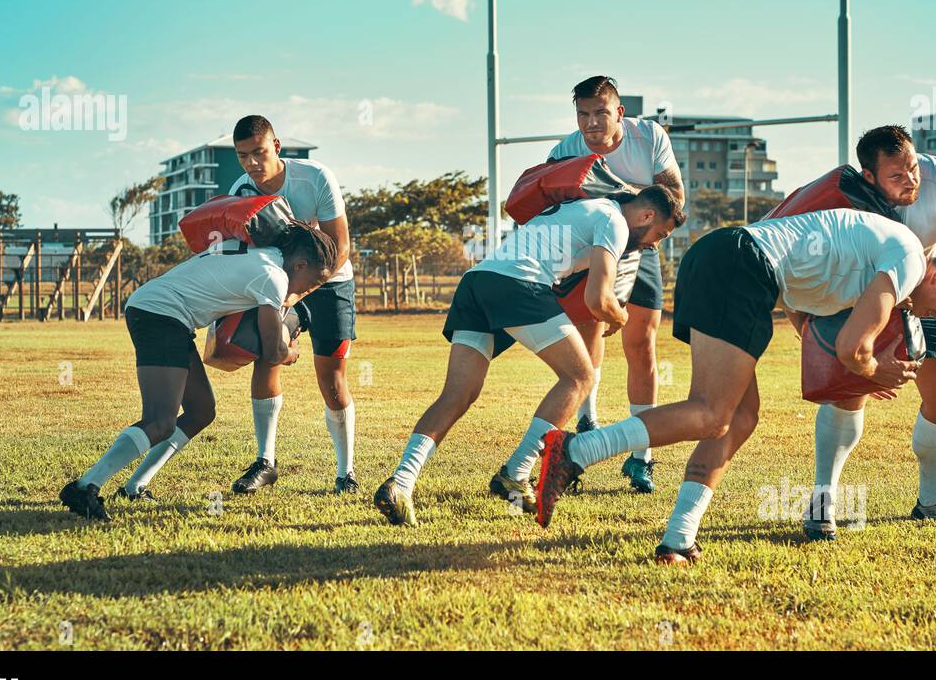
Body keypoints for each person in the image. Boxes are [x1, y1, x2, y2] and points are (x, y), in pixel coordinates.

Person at [534, 208, 936, 564]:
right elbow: (854, 348)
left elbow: (805, 301)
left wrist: (852, 355)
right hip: (741, 266)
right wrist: (876, 371)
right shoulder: (911, 259)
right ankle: (575, 451)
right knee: (712, 412)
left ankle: (677, 540)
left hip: (724, 260)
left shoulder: (893, 256)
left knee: (737, 419)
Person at [372, 186, 683, 527]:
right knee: (580, 377)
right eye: (660, 234)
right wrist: (620, 316)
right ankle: (516, 473)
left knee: (457, 394)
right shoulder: (615, 221)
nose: (655, 243)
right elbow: (599, 299)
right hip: (517, 285)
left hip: (478, 281)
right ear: (647, 215)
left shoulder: (589, 208)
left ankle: (401, 482)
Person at [57, 222, 338, 520]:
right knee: (160, 421)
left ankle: (134, 487)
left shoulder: (262, 256)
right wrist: (291, 352)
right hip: (161, 313)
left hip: (166, 314)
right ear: (301, 264)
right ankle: (85, 485)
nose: (308, 290)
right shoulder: (274, 276)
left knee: (201, 410)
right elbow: (271, 352)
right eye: (312, 281)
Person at [802, 125, 936, 540]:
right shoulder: (843, 193)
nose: (910, 180)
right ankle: (822, 504)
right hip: (858, 292)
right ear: (869, 177)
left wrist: (927, 286)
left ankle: (931, 503)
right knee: (847, 391)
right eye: (896, 175)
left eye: (913, 168)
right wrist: (811, 327)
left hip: (926, 287)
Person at [522, 75, 685, 493]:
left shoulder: (648, 136)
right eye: (582, 114)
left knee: (640, 342)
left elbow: (674, 197)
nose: (591, 123)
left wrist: (622, 198)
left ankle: (640, 456)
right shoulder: (566, 149)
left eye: (600, 113)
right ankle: (586, 425)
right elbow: (542, 203)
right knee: (590, 333)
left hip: (641, 245)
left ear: (619, 113)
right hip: (591, 249)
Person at [225, 115, 360, 496]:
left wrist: (301, 293)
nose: (252, 163)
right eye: (242, 156)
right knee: (267, 356)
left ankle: (345, 473)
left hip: (333, 284)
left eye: (259, 153)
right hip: (280, 286)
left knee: (331, 378)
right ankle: (265, 462)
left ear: (277, 147)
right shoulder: (241, 191)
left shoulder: (316, 177)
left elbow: (342, 246)